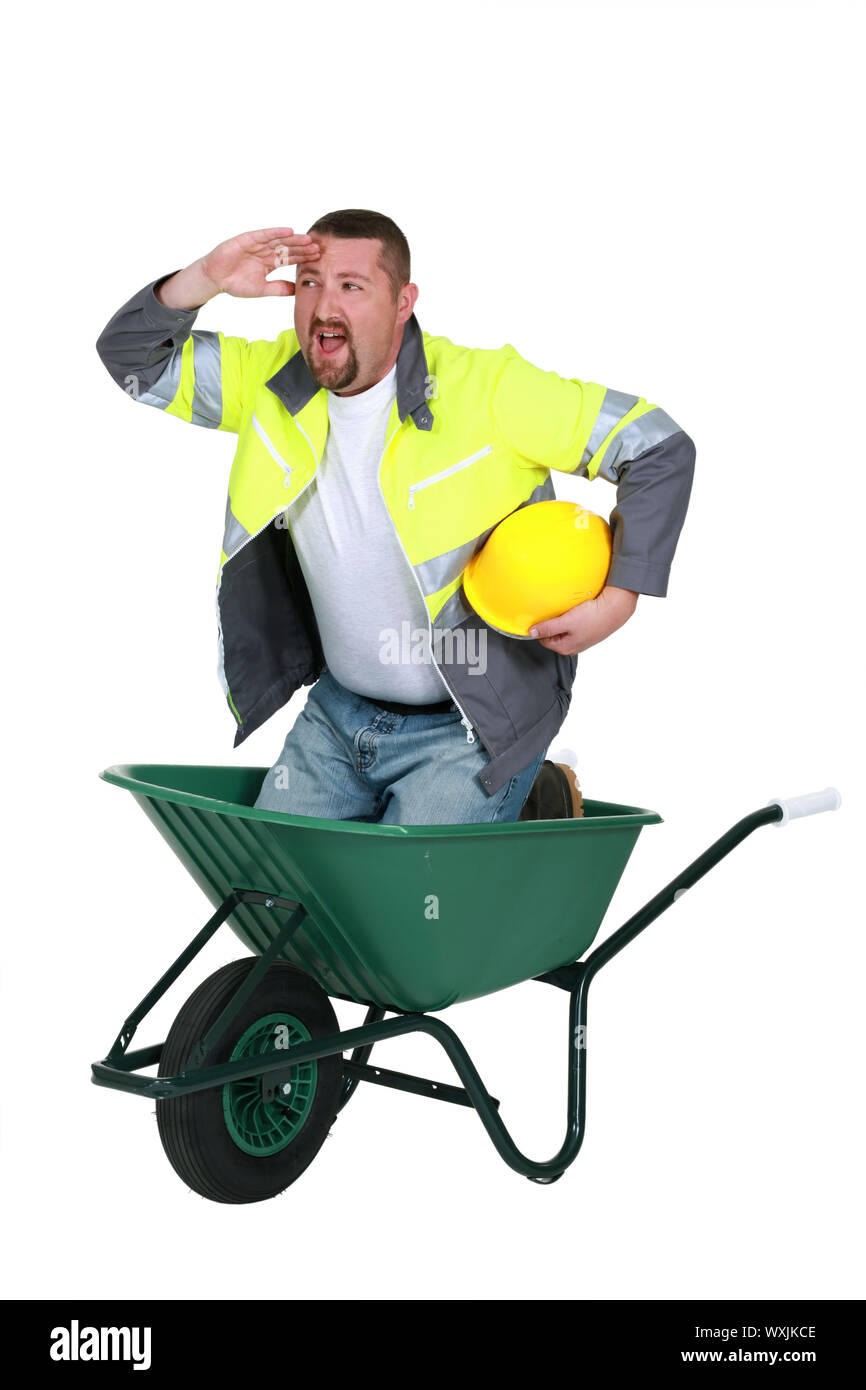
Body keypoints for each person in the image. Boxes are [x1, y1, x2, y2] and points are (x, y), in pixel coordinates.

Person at [95, 209, 695, 825]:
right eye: (309, 283)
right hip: (337, 712)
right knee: (273, 894)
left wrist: (622, 596)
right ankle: (516, 798)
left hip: (470, 727)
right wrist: (204, 278)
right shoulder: (267, 380)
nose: (325, 307)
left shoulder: (489, 390)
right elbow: (131, 358)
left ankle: (527, 791)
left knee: (407, 901)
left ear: (403, 300)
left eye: (351, 286)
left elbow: (654, 445)